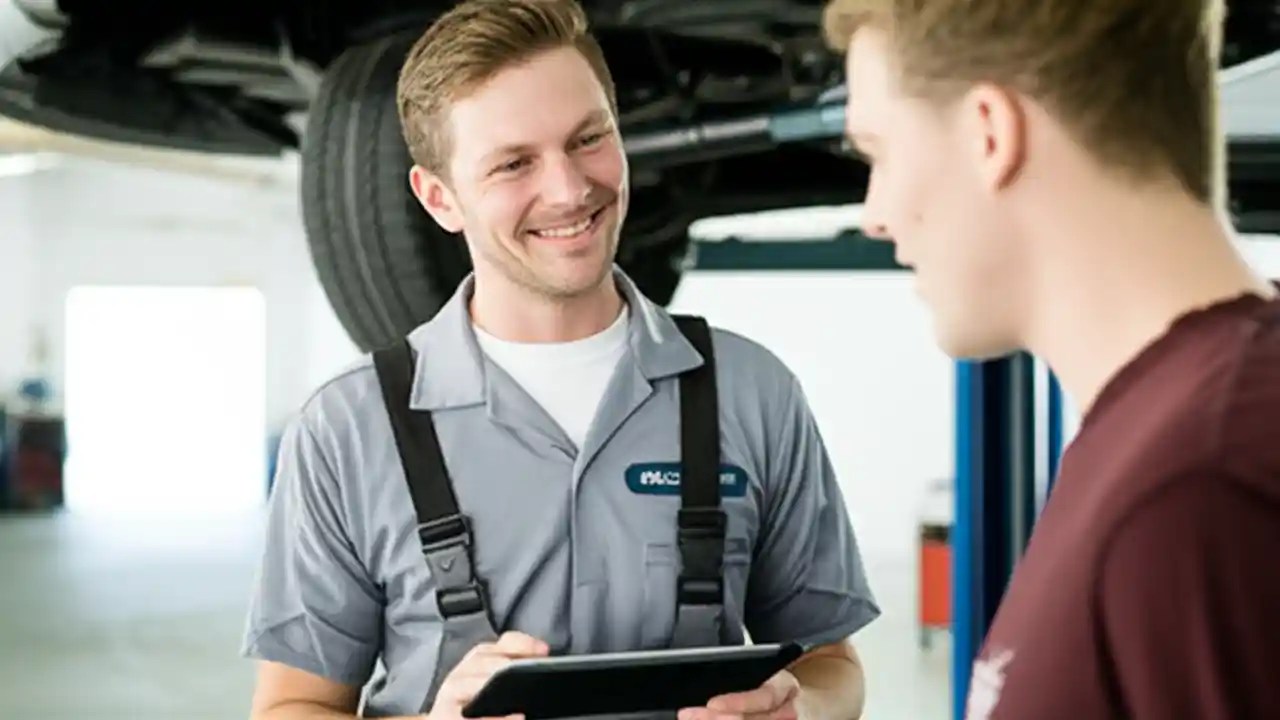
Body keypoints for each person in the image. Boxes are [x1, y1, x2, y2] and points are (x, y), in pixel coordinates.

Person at [241, 1, 881, 718]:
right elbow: (290, 706)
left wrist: (802, 710)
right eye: (515, 163)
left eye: (589, 139)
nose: (571, 190)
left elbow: (832, 664)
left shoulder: (751, 391)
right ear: (439, 198)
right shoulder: (348, 430)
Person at [822, 0, 1280, 718]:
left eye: (877, 152)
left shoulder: (1197, 488)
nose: (874, 212)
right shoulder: (1174, 435)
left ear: (988, 134)